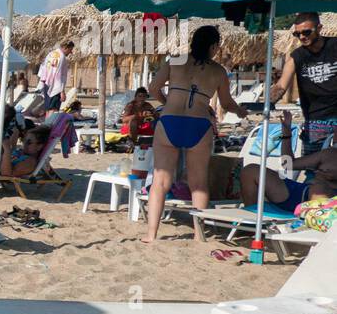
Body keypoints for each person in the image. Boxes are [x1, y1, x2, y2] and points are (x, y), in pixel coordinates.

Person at [144, 25, 244, 243]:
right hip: (199, 124)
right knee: (198, 183)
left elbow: (153, 87)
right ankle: (199, 235)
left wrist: (167, 102)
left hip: (169, 121)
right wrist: (241, 111)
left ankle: (151, 235)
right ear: (214, 46)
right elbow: (226, 103)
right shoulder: (218, 70)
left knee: (160, 181)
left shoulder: (177, 60)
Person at [240, 109, 337, 213]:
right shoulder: (329, 154)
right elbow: (288, 165)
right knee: (250, 171)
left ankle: (312, 222)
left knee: (320, 190)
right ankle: (252, 221)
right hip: (299, 193)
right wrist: (286, 135)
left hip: (323, 201)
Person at [269, 12, 337, 154]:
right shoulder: (297, 56)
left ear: (319, 28)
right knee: (312, 166)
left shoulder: (334, 46)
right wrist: (269, 101)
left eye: (306, 32)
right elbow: (281, 85)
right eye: (297, 34)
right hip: (315, 120)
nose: (301, 37)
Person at [39, 41, 71, 111]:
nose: (71, 52)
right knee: (54, 109)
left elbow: (43, 69)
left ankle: (47, 122)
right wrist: (62, 91)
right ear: (66, 48)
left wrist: (42, 84)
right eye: (70, 50)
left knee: (48, 108)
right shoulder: (61, 57)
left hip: (47, 84)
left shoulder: (51, 54)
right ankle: (51, 122)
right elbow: (59, 76)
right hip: (55, 87)